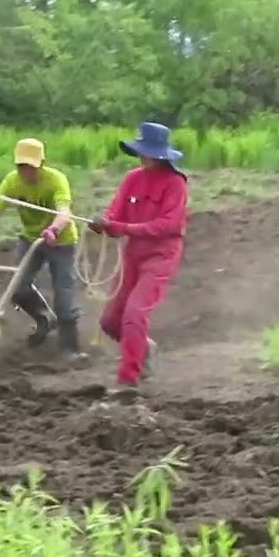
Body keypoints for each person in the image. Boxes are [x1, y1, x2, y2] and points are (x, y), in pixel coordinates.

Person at [87, 121, 189, 397]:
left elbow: (168, 225)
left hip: (161, 254)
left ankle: (128, 381)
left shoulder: (176, 183)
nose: (143, 157)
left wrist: (124, 228)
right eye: (141, 152)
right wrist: (103, 224)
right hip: (133, 253)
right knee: (110, 321)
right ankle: (143, 347)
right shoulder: (132, 178)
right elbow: (115, 216)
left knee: (134, 313)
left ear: (161, 155)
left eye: (147, 152)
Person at [0, 138, 86, 361]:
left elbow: (64, 213)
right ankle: (44, 318)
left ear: (41, 163)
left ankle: (70, 349)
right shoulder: (12, 181)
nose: (26, 171)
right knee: (17, 287)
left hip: (60, 241)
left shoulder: (56, 180)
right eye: (21, 166)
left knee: (63, 293)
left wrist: (53, 229)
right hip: (30, 239)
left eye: (30, 166)